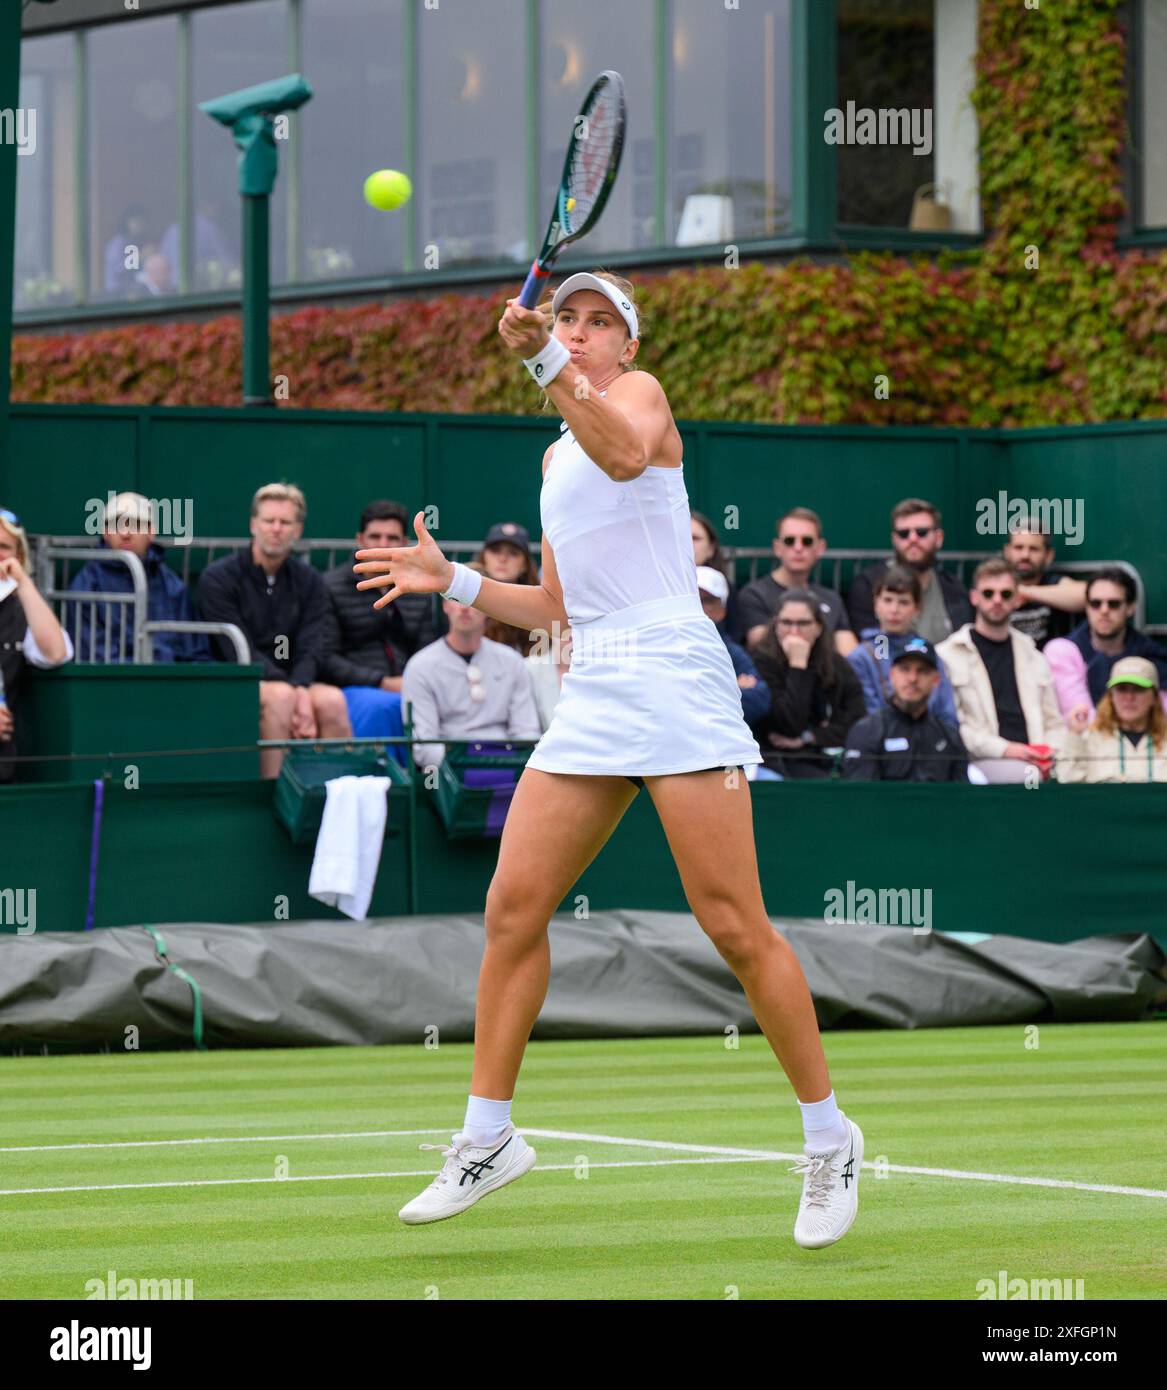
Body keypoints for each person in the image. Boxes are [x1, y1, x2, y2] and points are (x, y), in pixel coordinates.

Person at [354, 269, 865, 1247]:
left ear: (625, 346)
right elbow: (555, 607)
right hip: (595, 686)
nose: (579, 333)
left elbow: (628, 454)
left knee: (733, 924)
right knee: (513, 908)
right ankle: (488, 1136)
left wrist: (543, 356)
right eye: (568, 320)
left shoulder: (639, 400)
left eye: (597, 324)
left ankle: (829, 1136)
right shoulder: (553, 460)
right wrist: (451, 576)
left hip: (674, 669)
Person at [199, 483, 350, 779]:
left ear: (298, 530)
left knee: (333, 701)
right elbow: (236, 649)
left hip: (294, 683)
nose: (276, 529)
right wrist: (294, 690)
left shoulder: (310, 581)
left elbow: (313, 644)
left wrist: (301, 686)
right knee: (280, 696)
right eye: (269, 521)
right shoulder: (217, 578)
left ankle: (333, 800)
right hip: (237, 680)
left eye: (285, 522)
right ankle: (273, 799)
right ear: (253, 524)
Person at [320, 500, 439, 762]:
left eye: (392, 538)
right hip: (352, 690)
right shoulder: (330, 586)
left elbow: (428, 652)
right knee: (387, 707)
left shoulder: (419, 588)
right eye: (375, 536)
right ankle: (389, 788)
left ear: (405, 542)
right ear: (360, 539)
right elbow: (326, 659)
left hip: (412, 686)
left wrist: (415, 683)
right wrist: (383, 682)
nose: (383, 544)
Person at [400, 561, 543, 771]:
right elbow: (424, 746)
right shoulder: (420, 666)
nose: (465, 607)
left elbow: (527, 732)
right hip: (450, 779)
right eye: (456, 597)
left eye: (473, 598)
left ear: (488, 607)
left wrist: (502, 764)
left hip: (506, 770)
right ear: (445, 605)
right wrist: (469, 766)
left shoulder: (512, 661)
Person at [936, 558, 1065, 784]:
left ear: (1016, 600)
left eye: (1005, 594)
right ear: (974, 597)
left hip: (1038, 758)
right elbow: (952, 728)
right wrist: (1007, 750)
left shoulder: (1034, 655)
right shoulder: (947, 654)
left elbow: (1054, 722)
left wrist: (1050, 752)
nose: (997, 600)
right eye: (988, 593)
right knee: (1029, 778)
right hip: (981, 760)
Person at [63, 491, 209, 663]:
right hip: (110, 685)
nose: (125, 533)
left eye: (135, 524)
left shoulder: (172, 586)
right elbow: (93, 655)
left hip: (170, 685)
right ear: (105, 532)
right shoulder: (86, 585)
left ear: (151, 532)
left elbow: (195, 653)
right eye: (117, 524)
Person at [748, 588, 866, 778]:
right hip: (774, 760)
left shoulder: (835, 663)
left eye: (803, 623)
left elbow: (857, 718)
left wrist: (811, 737)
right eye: (786, 623)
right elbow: (788, 724)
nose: (794, 632)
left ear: (818, 627)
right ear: (776, 625)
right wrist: (798, 665)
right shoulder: (760, 662)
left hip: (825, 757)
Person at [0, 507, 73, 782]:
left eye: (4, 547)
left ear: (18, 556)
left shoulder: (19, 610)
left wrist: (23, 583)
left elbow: (56, 653)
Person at [1044, 568, 1167, 721]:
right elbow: (1081, 716)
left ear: (1130, 608)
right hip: (1085, 741)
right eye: (1095, 603)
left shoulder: (1151, 654)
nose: (1104, 610)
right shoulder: (1062, 651)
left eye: (1113, 604)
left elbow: (1162, 716)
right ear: (1086, 607)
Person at [846, 498, 972, 645]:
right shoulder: (869, 584)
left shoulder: (953, 588)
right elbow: (873, 647)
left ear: (939, 538)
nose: (913, 539)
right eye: (904, 533)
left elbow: (964, 644)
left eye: (922, 532)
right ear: (894, 539)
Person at [735, 507, 857, 657]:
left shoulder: (832, 599)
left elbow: (851, 655)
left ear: (820, 547)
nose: (798, 548)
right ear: (777, 547)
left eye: (807, 541)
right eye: (789, 541)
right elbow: (761, 644)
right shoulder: (754, 594)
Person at [846, 565, 958, 726]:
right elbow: (869, 717)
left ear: (917, 609)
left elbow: (946, 711)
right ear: (876, 604)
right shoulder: (868, 653)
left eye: (904, 602)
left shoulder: (927, 652)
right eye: (887, 600)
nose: (894, 610)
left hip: (928, 741)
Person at [843, 638, 969, 782]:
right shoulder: (866, 731)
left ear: (936, 680)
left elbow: (961, 798)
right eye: (905, 669)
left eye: (922, 671)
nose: (912, 678)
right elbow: (861, 797)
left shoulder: (949, 737)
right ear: (891, 675)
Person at [1057, 657, 1167, 784]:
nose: (1129, 697)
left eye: (1138, 689)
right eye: (1122, 689)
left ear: (1154, 697)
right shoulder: (1090, 738)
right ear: (1110, 696)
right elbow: (1067, 783)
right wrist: (1075, 737)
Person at [696, 565, 770, 729]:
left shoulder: (732, 653)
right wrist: (732, 689)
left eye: (706, 600)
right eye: (692, 598)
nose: (698, 606)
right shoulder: (657, 646)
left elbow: (760, 701)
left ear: (721, 611)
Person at [1003, 521, 1083, 649]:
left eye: (1033, 549)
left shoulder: (1053, 582)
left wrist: (1026, 592)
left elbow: (1086, 595)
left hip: (1048, 663)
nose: (1025, 555)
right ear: (1007, 551)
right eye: (1019, 547)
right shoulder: (995, 583)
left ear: (1048, 555)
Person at [473, 522, 542, 657]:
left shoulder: (539, 606)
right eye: (495, 550)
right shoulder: (465, 600)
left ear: (525, 565)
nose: (502, 559)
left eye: (513, 553)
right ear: (483, 557)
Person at [691, 509, 742, 644]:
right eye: (681, 538)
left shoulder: (727, 588)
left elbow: (735, 634)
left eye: (695, 538)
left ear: (711, 548)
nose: (688, 544)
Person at [103, 205, 149, 297]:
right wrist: (140, 256)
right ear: (127, 222)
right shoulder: (118, 242)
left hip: (132, 291)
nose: (140, 225)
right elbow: (118, 270)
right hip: (116, 293)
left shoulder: (137, 242)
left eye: (143, 221)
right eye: (136, 221)